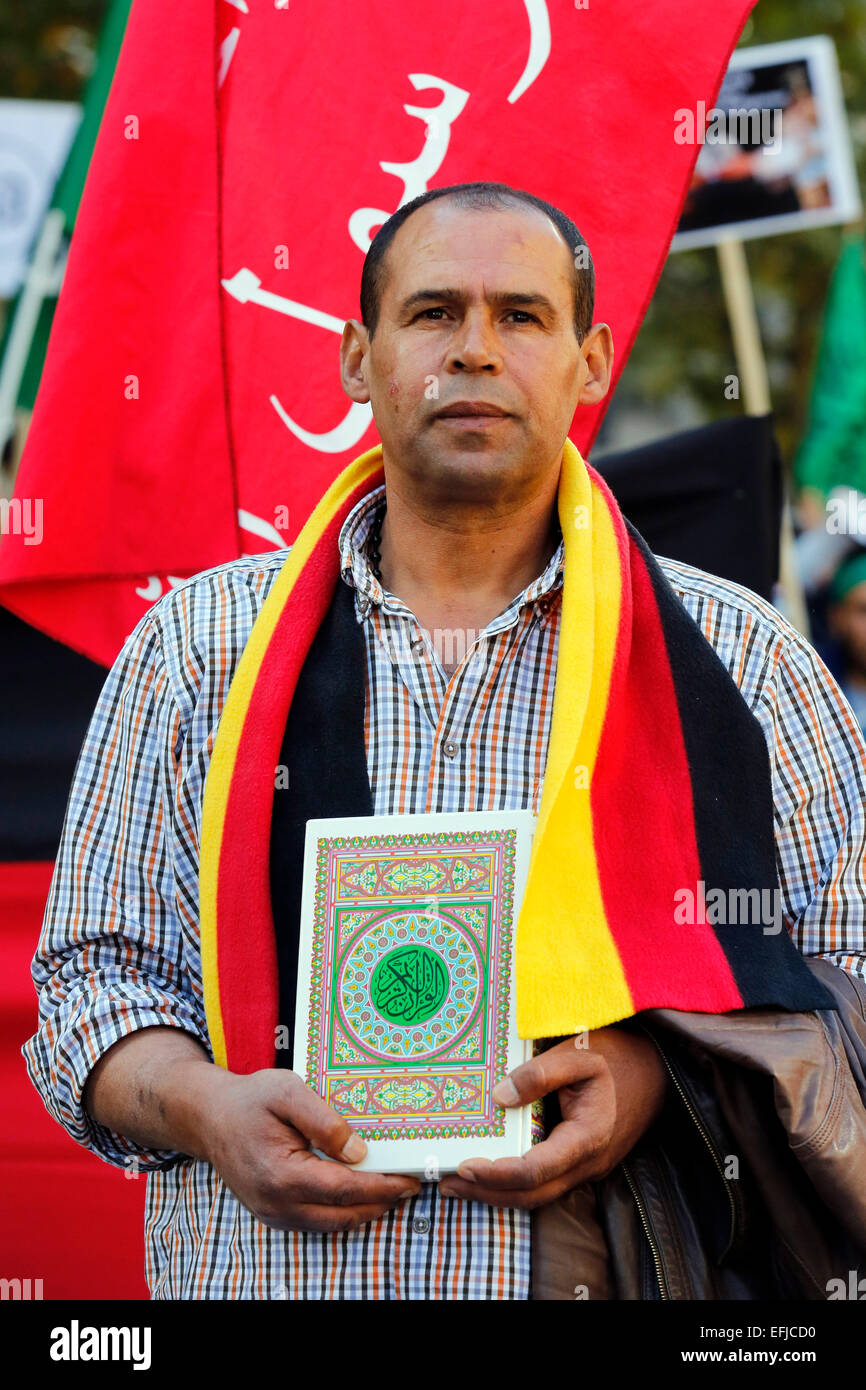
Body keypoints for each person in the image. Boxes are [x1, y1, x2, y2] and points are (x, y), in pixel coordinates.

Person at [23, 182, 866, 1300]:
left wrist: (653, 1071)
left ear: (592, 360)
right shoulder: (196, 647)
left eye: (520, 315)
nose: (473, 350)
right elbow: (93, 979)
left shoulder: (740, 664)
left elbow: (844, 976)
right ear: (354, 358)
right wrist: (206, 1107)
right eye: (431, 313)